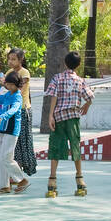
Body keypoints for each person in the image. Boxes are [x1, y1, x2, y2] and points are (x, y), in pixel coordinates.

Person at [44, 50, 95, 198]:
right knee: (75, 146)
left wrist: (50, 116)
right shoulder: (80, 81)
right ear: (78, 65)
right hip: (73, 117)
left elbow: (53, 96)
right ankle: (80, 180)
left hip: (59, 117)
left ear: (65, 63)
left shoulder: (57, 78)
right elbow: (90, 96)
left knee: (55, 146)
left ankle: (52, 181)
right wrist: (86, 105)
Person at [0, 72, 29, 194]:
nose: (9, 86)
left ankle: (21, 180)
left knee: (6, 158)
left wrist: (2, 117)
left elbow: (14, 109)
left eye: (11, 84)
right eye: (7, 84)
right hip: (3, 129)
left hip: (12, 130)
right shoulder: (7, 95)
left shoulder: (18, 96)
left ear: (17, 85)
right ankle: (4, 186)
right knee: (0, 159)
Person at [7, 48, 37, 176]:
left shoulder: (25, 73)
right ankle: (16, 172)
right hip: (12, 110)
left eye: (13, 59)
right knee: (14, 143)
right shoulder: (9, 72)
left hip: (23, 110)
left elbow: (18, 89)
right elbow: (3, 87)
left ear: (21, 60)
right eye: (9, 59)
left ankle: (22, 170)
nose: (10, 61)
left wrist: (5, 85)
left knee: (23, 141)